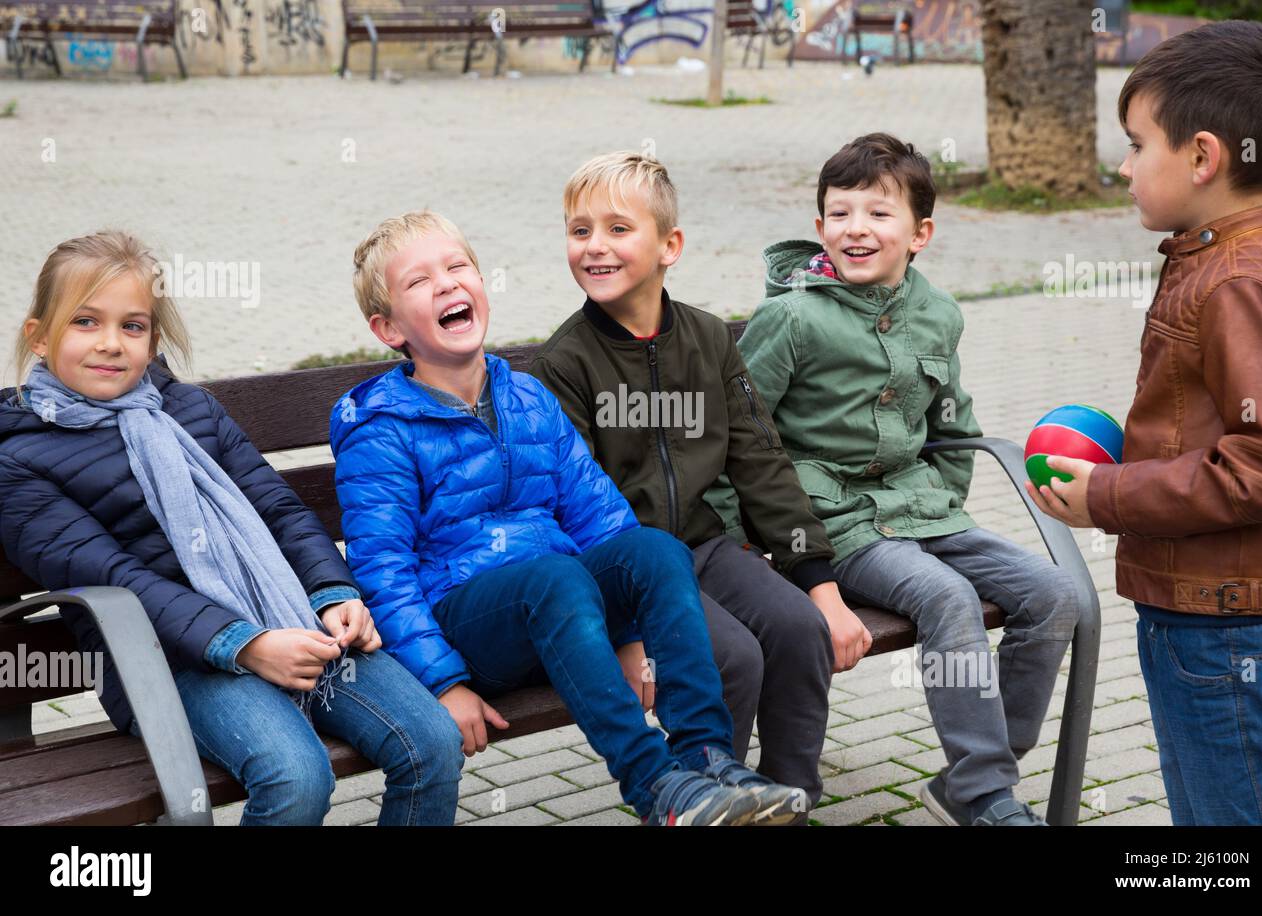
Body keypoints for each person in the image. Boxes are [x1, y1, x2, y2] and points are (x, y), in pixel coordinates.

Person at [330, 210, 806, 824]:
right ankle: (656, 786)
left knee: (655, 549)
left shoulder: (527, 397)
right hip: (469, 625)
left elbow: (600, 518)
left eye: (457, 267)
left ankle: (708, 760)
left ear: (481, 283)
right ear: (389, 327)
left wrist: (629, 637)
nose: (447, 283)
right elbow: (382, 570)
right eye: (419, 281)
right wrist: (445, 684)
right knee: (554, 577)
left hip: (564, 607)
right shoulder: (382, 428)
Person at [0, 230, 464, 825]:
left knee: (432, 742)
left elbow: (279, 510)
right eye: (85, 322)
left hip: (289, 619)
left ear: (153, 340)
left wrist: (334, 593)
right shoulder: (21, 458)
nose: (110, 343)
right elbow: (114, 577)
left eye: (132, 326)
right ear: (39, 336)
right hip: (164, 664)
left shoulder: (190, 410)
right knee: (296, 777)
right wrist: (244, 644)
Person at [739, 134, 1085, 826]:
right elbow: (738, 432)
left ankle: (970, 780)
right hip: (835, 523)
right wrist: (745, 539)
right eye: (840, 214)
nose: (856, 229)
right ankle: (987, 797)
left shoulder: (937, 313)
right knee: (947, 596)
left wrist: (946, 500)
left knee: (1056, 594)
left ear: (920, 234)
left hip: (925, 509)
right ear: (819, 227)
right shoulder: (791, 318)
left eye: (878, 213)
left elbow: (954, 421)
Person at [529, 151, 871, 817]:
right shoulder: (563, 365)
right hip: (629, 572)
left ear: (670, 246)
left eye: (618, 229)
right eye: (579, 231)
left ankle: (788, 802)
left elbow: (762, 463)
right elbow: (564, 509)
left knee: (801, 629)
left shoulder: (709, 339)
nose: (595, 246)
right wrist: (625, 632)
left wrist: (821, 585)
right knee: (732, 657)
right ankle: (701, 807)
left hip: (706, 547)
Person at [1028, 21, 1262, 826]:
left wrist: (1106, 495)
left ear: (1203, 156)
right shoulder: (1235, 256)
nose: (1123, 166)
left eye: (1136, 144)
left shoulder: (1235, 282)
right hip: (1222, 614)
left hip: (1228, 630)